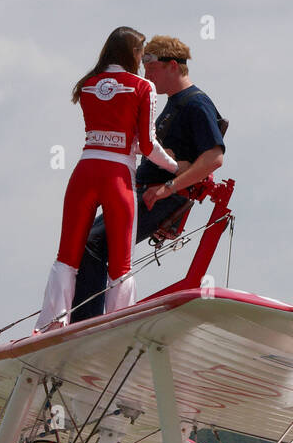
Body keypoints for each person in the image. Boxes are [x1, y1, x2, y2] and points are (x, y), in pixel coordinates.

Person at [68, 35, 226, 323]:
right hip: (142, 191)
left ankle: (86, 323)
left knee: (93, 243)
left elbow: (214, 158)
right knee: (86, 241)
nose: (146, 75)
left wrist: (169, 187)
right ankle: (84, 320)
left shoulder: (196, 103)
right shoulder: (173, 103)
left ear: (173, 66)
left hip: (158, 196)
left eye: (152, 68)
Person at [37, 27, 178, 332]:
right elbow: (147, 146)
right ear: (133, 53)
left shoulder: (88, 84)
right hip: (117, 177)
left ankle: (52, 322)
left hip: (85, 172)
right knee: (121, 263)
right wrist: (174, 167)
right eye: (142, 54)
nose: (142, 61)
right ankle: (118, 325)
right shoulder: (142, 86)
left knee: (67, 256)